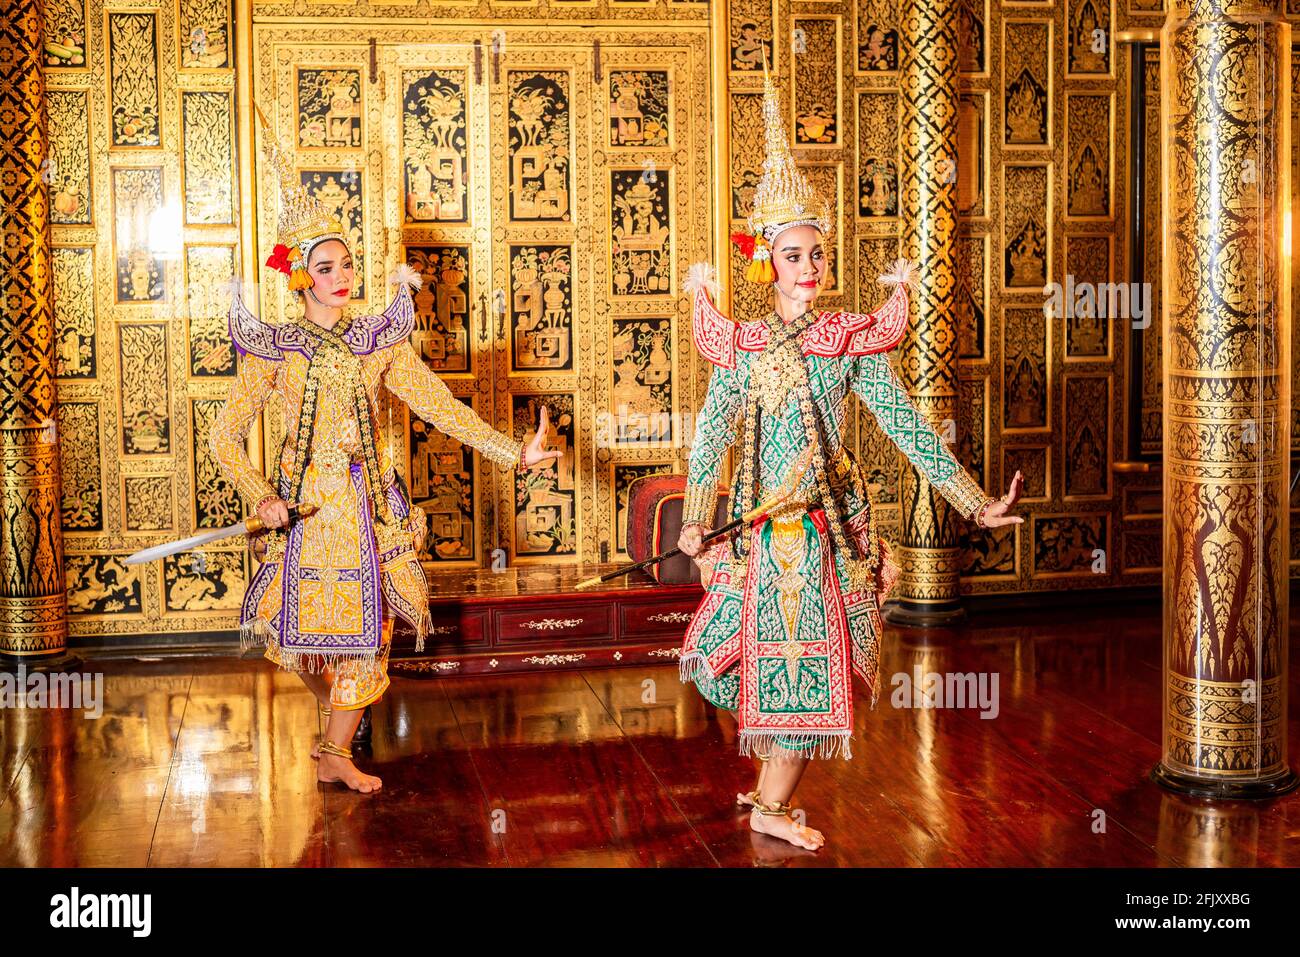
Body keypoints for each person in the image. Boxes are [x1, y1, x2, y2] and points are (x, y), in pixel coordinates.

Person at [675, 65, 1024, 850]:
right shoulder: (744, 348)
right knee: (716, 659)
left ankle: (771, 801)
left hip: (831, 536)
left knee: (816, 676)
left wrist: (972, 501)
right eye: (795, 255)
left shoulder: (845, 345)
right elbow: (709, 438)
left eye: (818, 255)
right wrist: (698, 519)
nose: (812, 268)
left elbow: (905, 424)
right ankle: (769, 783)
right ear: (767, 261)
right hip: (761, 537)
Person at [210, 125, 559, 793]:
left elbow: (440, 406)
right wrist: (261, 493)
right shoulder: (274, 348)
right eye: (326, 268)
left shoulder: (378, 342)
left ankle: (335, 749)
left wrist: (515, 451)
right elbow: (225, 435)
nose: (342, 278)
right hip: (305, 511)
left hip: (366, 506)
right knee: (298, 631)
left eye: (347, 265)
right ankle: (333, 732)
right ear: (298, 277)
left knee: (373, 631)